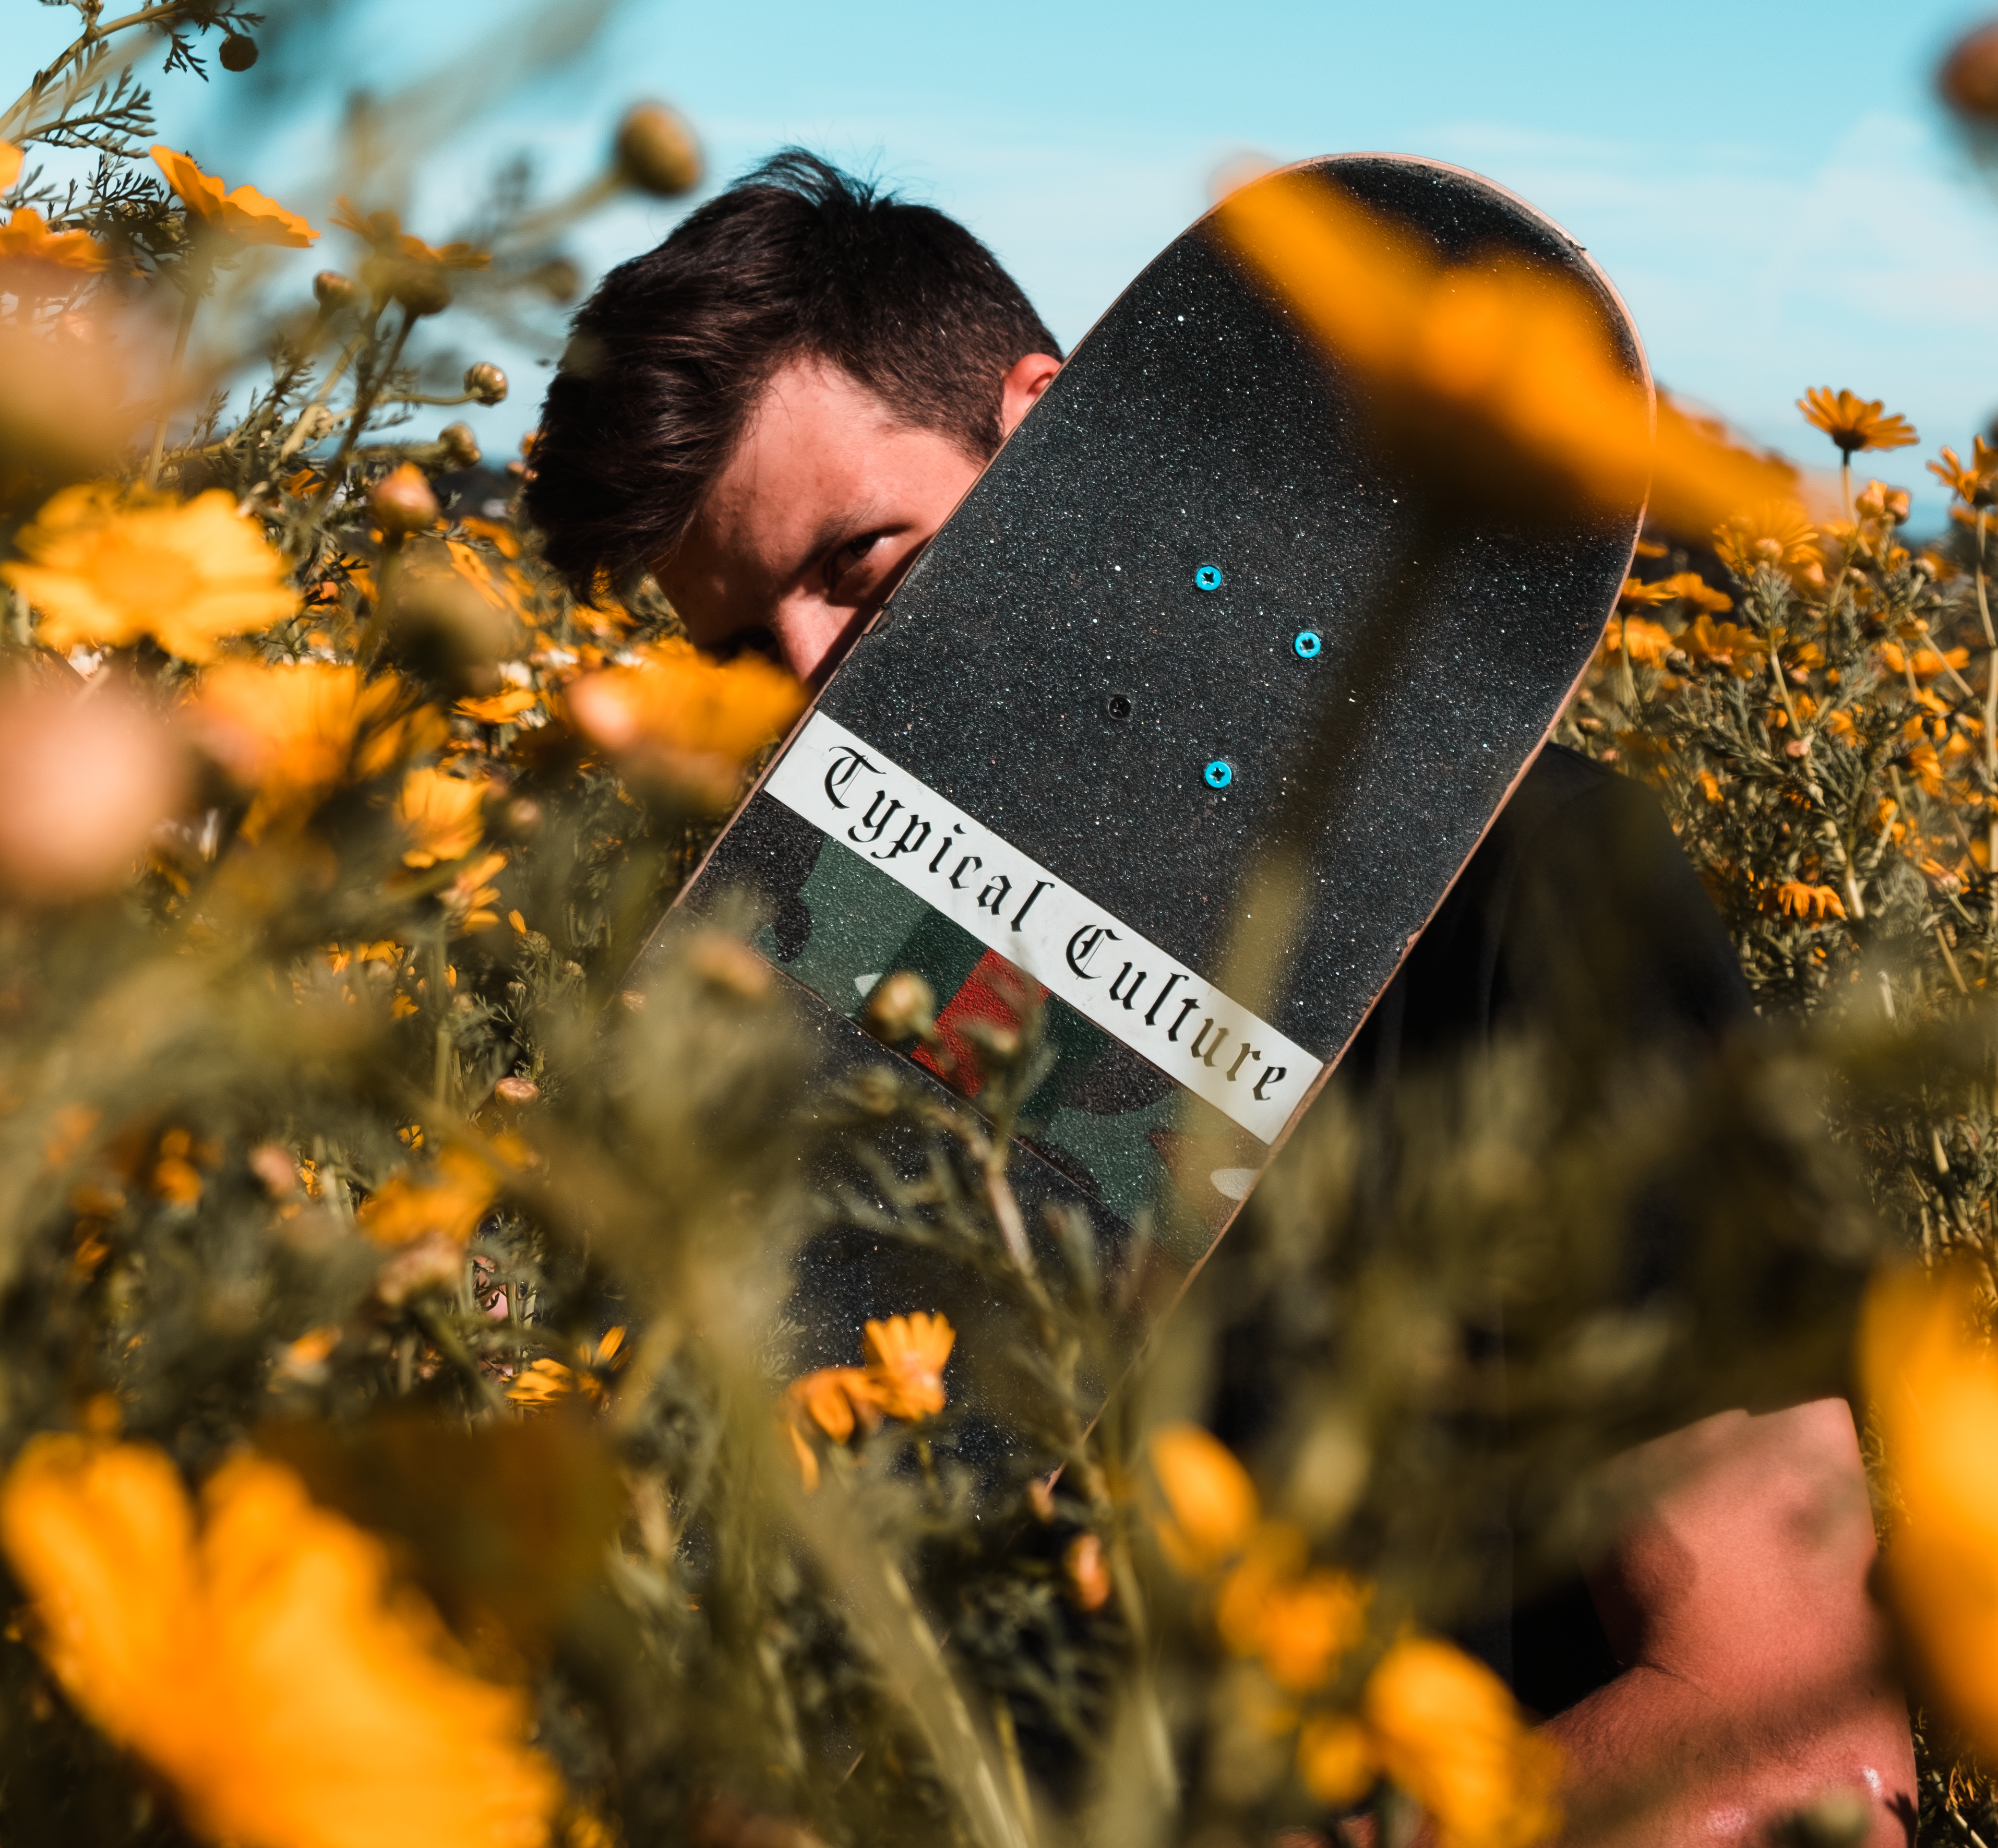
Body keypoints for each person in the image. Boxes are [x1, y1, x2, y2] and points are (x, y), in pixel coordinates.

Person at [528, 150, 1915, 1846]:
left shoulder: (1538, 890)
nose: (820, 694)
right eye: (742, 653)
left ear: (1061, 439)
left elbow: (1785, 1734)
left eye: (859, 562)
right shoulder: (799, 985)